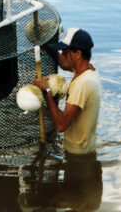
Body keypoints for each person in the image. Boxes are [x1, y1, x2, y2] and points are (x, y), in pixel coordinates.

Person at [33, 27, 101, 155]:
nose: (63, 55)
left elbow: (61, 125)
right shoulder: (89, 70)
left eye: (65, 52)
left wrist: (46, 90)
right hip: (86, 147)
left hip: (77, 154)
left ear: (78, 54)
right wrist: (44, 45)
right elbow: (64, 64)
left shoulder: (82, 84)